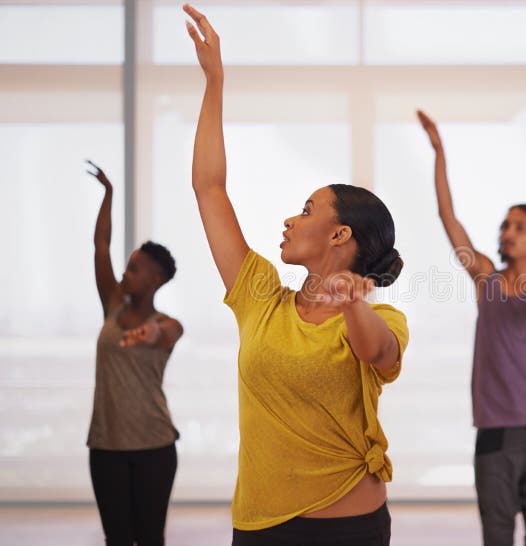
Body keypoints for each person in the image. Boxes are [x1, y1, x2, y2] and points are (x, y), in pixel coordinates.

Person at [183, 5, 409, 545]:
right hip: (259, 526)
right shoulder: (261, 297)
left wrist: (353, 301)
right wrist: (215, 81)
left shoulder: (383, 317)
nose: (290, 218)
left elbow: (379, 353)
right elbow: (209, 189)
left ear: (339, 235)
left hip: (350, 529)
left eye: (306, 210)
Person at [417, 110, 526, 546]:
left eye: (519, 227)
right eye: (505, 225)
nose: (508, 232)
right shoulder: (486, 280)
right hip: (494, 435)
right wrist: (439, 152)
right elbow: (448, 217)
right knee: (496, 537)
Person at [85, 160, 184, 546]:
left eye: (135, 268)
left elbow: (168, 332)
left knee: (150, 538)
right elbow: (100, 247)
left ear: (155, 279)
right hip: (105, 445)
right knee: (118, 539)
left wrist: (151, 331)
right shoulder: (113, 306)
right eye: (127, 267)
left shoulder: (168, 324)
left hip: (154, 448)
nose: (125, 273)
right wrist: (108, 194)